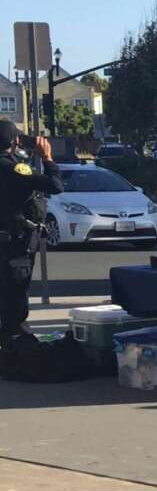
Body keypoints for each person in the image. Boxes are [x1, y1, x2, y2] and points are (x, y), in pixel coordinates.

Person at [0, 124, 63, 343]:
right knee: (14, 301)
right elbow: (55, 186)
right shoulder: (15, 170)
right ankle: (15, 351)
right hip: (14, 246)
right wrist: (46, 158)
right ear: (14, 143)